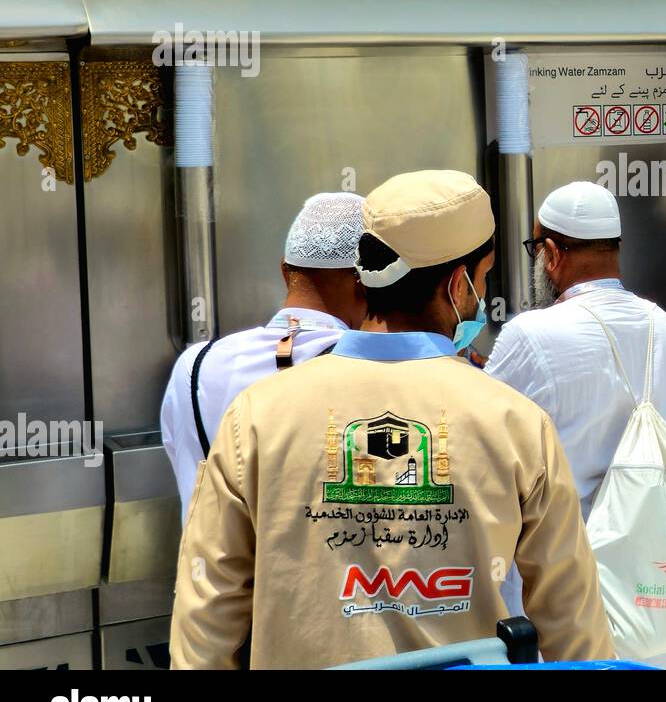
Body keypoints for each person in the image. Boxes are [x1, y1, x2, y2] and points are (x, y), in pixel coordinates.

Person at [170, 170, 614, 669]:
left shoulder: (255, 417)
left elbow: (206, 613)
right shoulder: (515, 424)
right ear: (456, 284)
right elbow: (570, 623)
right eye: (483, 277)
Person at [485, 181, 666, 670]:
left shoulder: (531, 334)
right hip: (657, 580)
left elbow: (482, 436)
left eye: (537, 248)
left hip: (572, 585)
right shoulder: (659, 323)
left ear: (553, 253)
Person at [160, 192, 367, 520]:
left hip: (209, 569)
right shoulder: (366, 370)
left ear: (285, 271)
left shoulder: (195, 365)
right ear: (366, 282)